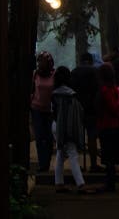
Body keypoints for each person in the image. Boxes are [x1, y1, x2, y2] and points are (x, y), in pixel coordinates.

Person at [51, 66, 95, 194]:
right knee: (72, 154)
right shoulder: (70, 95)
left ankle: (59, 183)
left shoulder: (54, 93)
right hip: (67, 126)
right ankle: (80, 184)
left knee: (60, 153)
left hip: (55, 125)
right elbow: (75, 114)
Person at [70, 52, 101, 172]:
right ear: (91, 61)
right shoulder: (95, 72)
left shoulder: (74, 72)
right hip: (92, 109)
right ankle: (93, 164)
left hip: (77, 108)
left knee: (78, 136)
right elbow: (98, 89)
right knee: (92, 136)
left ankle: (79, 165)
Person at [96, 62, 119, 192]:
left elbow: (112, 107)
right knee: (110, 155)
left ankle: (110, 183)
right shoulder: (113, 88)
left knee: (108, 156)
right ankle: (110, 182)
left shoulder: (105, 90)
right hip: (112, 125)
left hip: (106, 125)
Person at [31, 51, 55, 172]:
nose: (41, 63)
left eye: (43, 61)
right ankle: (42, 164)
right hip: (37, 109)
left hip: (49, 110)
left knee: (49, 137)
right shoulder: (35, 74)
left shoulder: (54, 75)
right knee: (39, 137)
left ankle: (47, 161)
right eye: (39, 61)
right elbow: (32, 90)